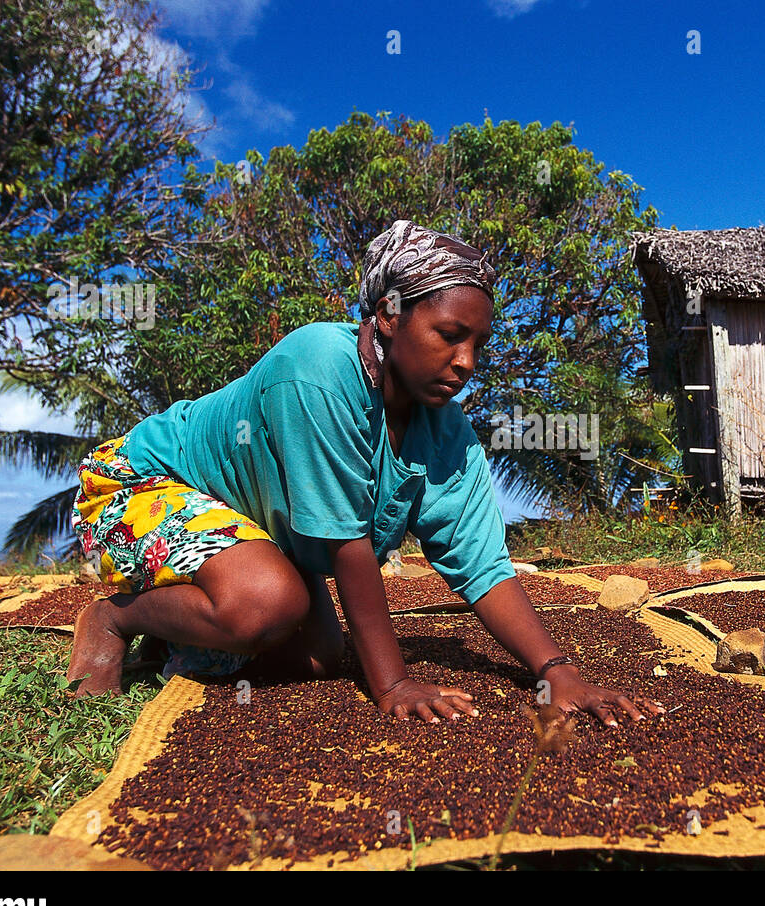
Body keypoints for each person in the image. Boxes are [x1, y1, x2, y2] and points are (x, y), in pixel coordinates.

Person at [68, 219, 663, 727]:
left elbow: (483, 566)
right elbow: (345, 541)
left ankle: (181, 627)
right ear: (389, 316)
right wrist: (393, 684)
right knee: (266, 604)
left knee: (321, 657)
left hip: (246, 530)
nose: (466, 363)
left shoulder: (445, 430)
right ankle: (113, 617)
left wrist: (556, 672)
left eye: (478, 344)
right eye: (449, 336)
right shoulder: (319, 370)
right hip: (141, 483)